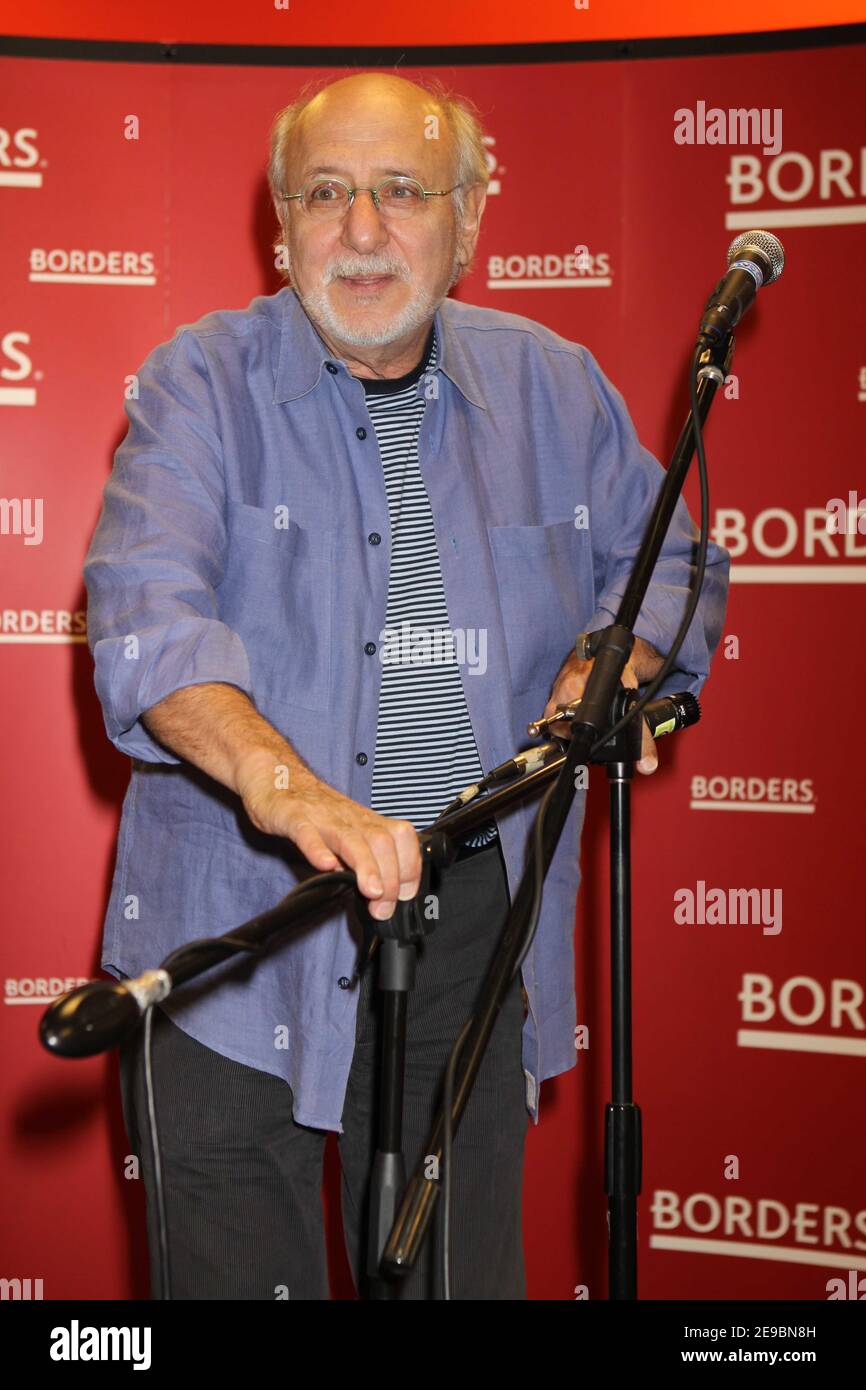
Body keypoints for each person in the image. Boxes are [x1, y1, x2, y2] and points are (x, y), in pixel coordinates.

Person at [83, 71, 729, 1300]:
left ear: (468, 218)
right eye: (326, 193)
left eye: (400, 191)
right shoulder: (197, 383)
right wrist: (289, 790)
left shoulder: (556, 385)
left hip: (470, 927)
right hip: (239, 920)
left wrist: (607, 665)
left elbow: (676, 564)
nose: (363, 229)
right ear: (280, 226)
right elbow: (147, 618)